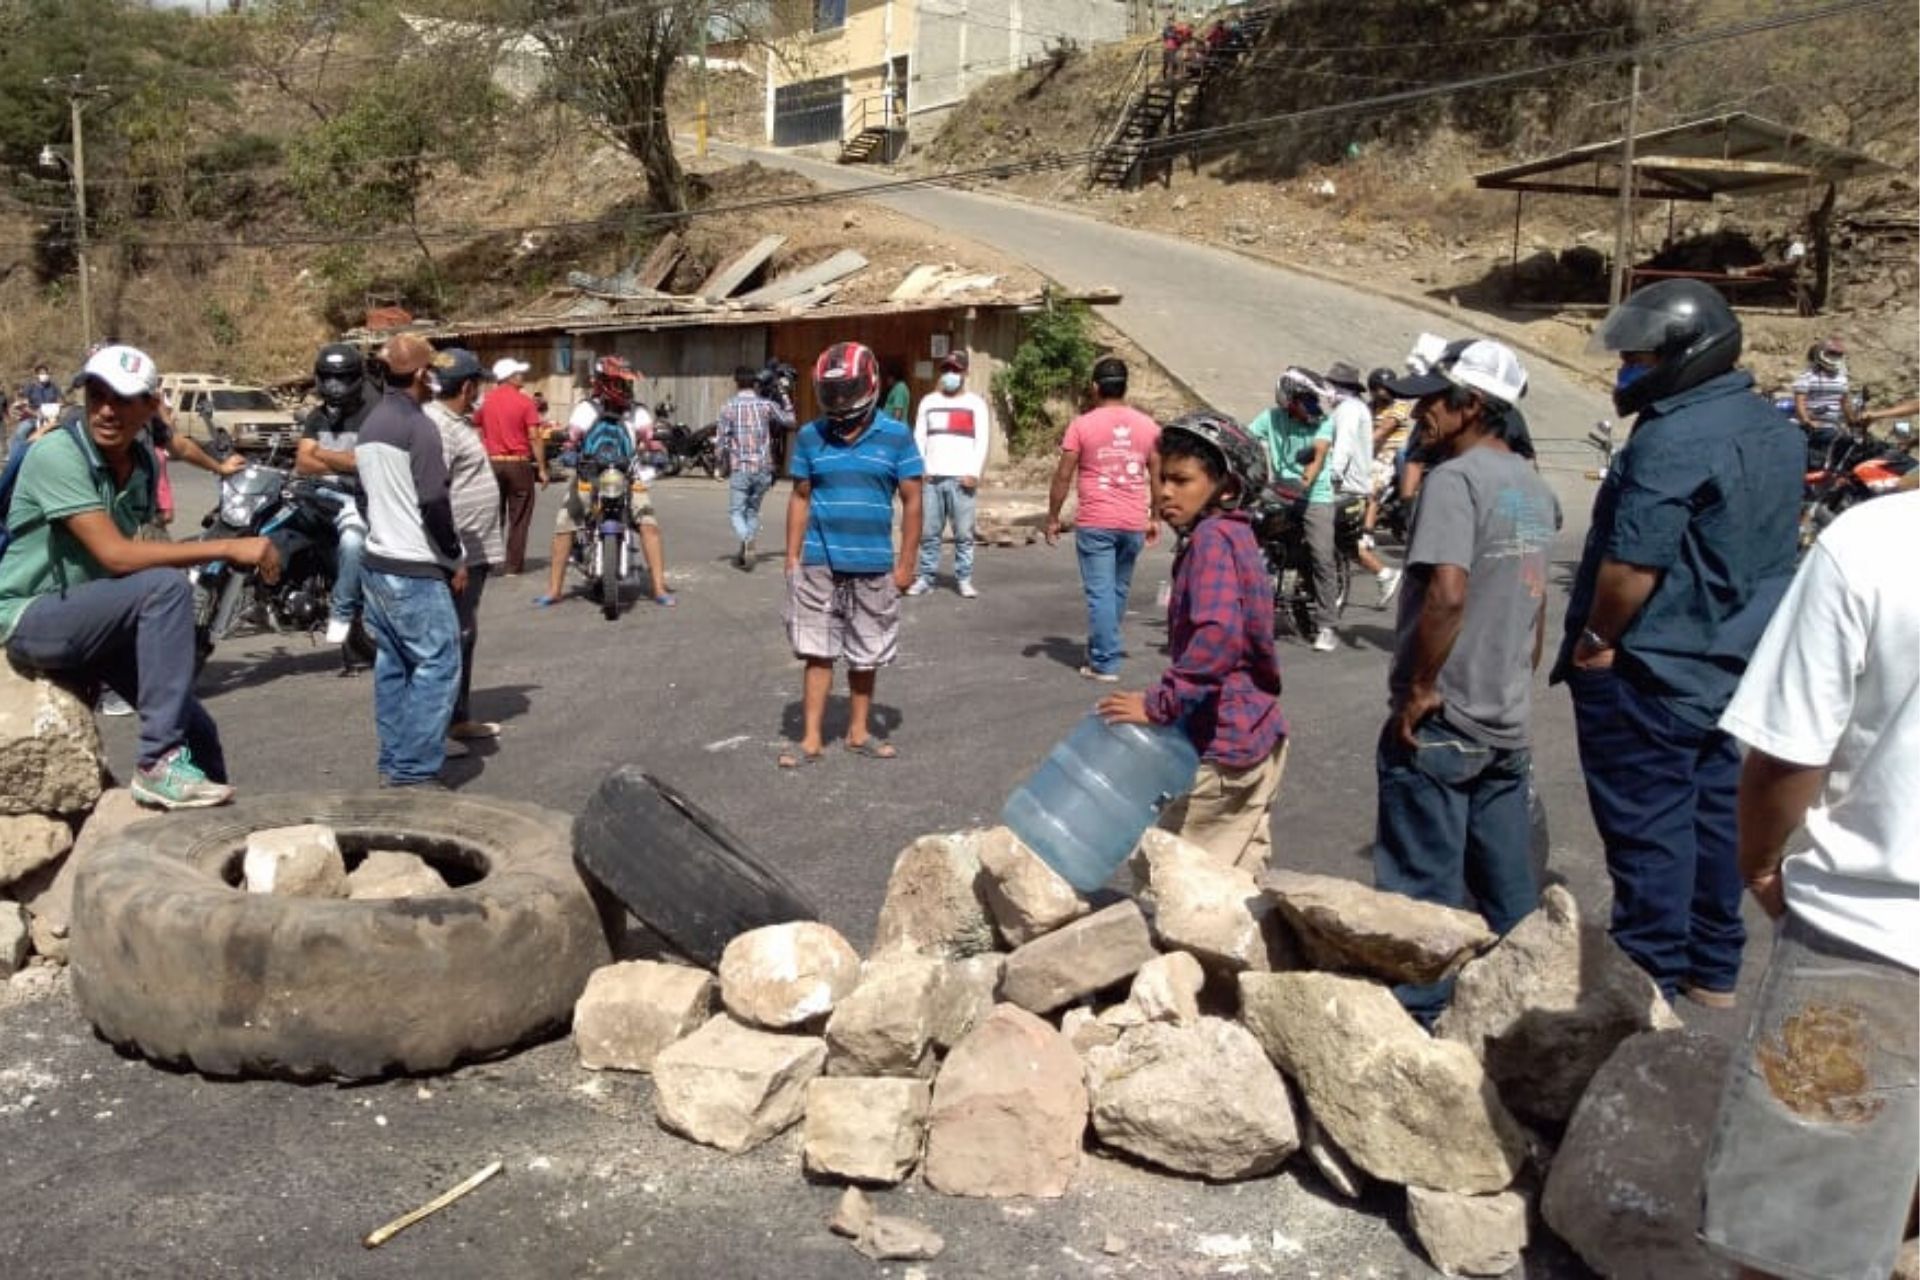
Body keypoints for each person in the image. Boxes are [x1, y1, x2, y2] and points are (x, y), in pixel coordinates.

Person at [1552, 280, 1804, 1006]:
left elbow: (1633, 565)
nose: (1627, 372)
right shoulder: (1775, 429)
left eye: (1638, 359)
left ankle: (1645, 985)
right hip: (1729, 662)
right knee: (1711, 809)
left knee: (1648, 830)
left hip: (1650, 667)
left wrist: (1598, 640)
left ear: (1685, 355)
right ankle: (1713, 966)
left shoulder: (1670, 436)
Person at [1701, 491, 1917, 1280]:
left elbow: (1790, 756)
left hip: (1870, 943)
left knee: (1791, 1250)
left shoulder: (1876, 542)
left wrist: (1759, 861)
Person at [1370, 340, 1561, 1024]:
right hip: (1505, 720)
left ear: (1471, 407)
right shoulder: (1535, 488)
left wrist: (1422, 687)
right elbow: (1533, 608)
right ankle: (1524, 1026)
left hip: (1444, 720)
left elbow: (1448, 594)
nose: (1420, 411)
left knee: (1421, 902)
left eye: (1433, 400)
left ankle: (1420, 1032)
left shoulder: (1454, 482)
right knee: (1508, 898)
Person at [0, 345, 280, 809]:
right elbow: (116, 556)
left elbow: (140, 547)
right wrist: (229, 546)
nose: (106, 410)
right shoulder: (57, 454)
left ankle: (204, 846)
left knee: (198, 730)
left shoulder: (145, 460)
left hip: (97, 614)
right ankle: (157, 764)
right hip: (31, 615)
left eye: (123, 399)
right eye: (96, 395)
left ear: (151, 406)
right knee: (165, 587)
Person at [1097, 411, 1286, 874]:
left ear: (1226, 487)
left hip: (1220, 751)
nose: (1164, 492)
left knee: (1177, 883)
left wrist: (1161, 704)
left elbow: (1217, 639)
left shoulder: (1211, 541)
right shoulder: (1236, 534)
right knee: (1240, 878)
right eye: (1162, 479)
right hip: (1256, 737)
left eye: (1182, 481)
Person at [779, 341, 924, 768]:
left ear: (870, 384)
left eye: (848, 391)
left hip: (874, 564)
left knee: (866, 652)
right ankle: (810, 740)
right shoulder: (810, 436)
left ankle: (858, 732)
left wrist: (907, 564)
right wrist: (791, 557)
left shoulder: (897, 436)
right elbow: (800, 497)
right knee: (817, 651)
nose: (839, 401)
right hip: (819, 563)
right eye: (832, 392)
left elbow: (913, 500)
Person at [354, 334, 466, 789]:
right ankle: (414, 773)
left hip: (377, 560)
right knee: (440, 663)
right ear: (422, 374)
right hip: (413, 568)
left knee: (394, 665)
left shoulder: (372, 423)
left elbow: (364, 494)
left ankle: (394, 761)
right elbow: (434, 500)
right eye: (432, 370)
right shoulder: (420, 427)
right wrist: (453, 555)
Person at [1045, 355, 1162, 682]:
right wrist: (1156, 517)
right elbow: (1157, 475)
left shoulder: (1082, 425)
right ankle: (1102, 646)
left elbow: (1062, 476)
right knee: (1116, 590)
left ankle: (1105, 663)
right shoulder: (1148, 426)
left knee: (1100, 593)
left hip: (1097, 520)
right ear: (1125, 387)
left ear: (1095, 387)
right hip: (1132, 521)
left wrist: (1053, 516)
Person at [538, 356, 672, 609]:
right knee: (565, 524)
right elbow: (572, 437)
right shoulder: (587, 409)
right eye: (619, 384)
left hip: (628, 475)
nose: (625, 389)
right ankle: (554, 589)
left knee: (649, 525)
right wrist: (567, 451)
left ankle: (658, 587)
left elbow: (651, 438)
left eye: (626, 385)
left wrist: (659, 452)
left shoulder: (637, 411)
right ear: (605, 382)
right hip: (589, 475)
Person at [423, 348, 505, 744]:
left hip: (467, 550)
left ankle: (457, 717)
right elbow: (433, 494)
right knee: (452, 635)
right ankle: (439, 728)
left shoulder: (452, 421)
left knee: (462, 632)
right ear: (469, 386)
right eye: (478, 386)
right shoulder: (440, 425)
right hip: (455, 554)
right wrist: (451, 552)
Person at [1247, 368, 1338, 652]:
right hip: (1279, 490)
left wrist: (1306, 479)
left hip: (1315, 494)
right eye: (1307, 401)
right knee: (1246, 533)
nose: (1314, 407)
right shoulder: (1270, 418)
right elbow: (1246, 439)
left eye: (1315, 401)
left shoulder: (1323, 423)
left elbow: (1319, 454)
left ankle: (1326, 626)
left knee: (1322, 556)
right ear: (1289, 399)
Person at [297, 343, 377, 648]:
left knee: (353, 541)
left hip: (354, 498)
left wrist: (321, 453)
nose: (334, 385)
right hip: (315, 493)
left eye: (342, 378)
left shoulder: (373, 415)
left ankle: (342, 610)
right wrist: (343, 459)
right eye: (328, 377)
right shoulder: (317, 416)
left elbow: (364, 464)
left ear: (356, 378)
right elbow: (303, 462)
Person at [909, 350, 992, 599]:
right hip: (932, 478)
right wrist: (921, 468)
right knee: (930, 533)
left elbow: (982, 440)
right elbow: (919, 437)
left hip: (961, 479)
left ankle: (964, 578)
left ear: (965, 373)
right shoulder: (928, 402)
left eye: (956, 370)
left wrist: (974, 473)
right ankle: (926, 577)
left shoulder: (975, 404)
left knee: (964, 534)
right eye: (946, 369)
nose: (950, 375)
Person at [1323, 362, 1402, 606]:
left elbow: (1345, 445)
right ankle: (1383, 572)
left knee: (1325, 534)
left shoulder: (1349, 410)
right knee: (1340, 540)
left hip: (1355, 480)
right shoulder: (1360, 408)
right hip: (1355, 479)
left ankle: (1371, 543)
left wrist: (1333, 474)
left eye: (1330, 387)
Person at [475, 357, 548, 577]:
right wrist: (542, 468)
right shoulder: (525, 402)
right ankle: (512, 566)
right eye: (518, 374)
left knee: (491, 515)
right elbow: (534, 437)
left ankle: (487, 562)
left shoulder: (484, 401)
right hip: (518, 465)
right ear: (509, 377)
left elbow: (476, 429)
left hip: (492, 463)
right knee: (520, 516)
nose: (522, 377)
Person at [715, 364, 793, 571]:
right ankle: (746, 549)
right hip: (763, 469)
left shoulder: (728, 407)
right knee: (752, 511)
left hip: (741, 469)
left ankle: (747, 539)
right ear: (755, 383)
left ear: (736, 382)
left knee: (735, 512)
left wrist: (718, 464)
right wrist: (784, 394)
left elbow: (722, 441)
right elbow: (790, 420)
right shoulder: (766, 405)